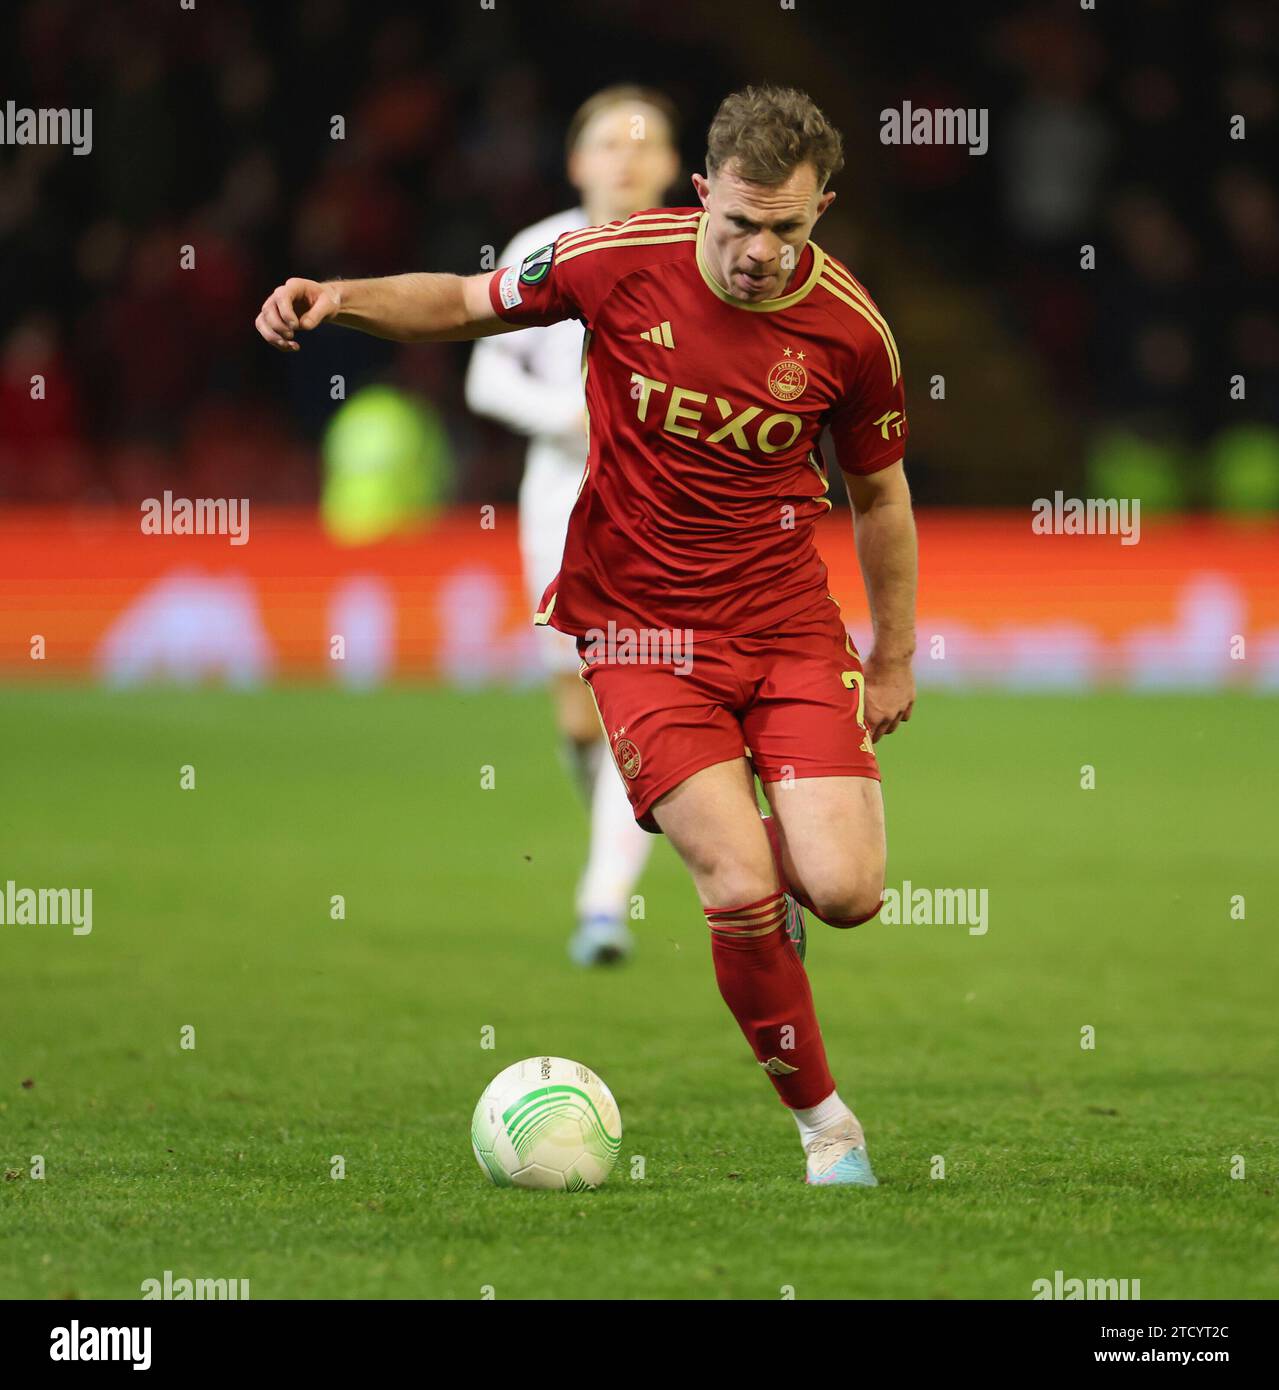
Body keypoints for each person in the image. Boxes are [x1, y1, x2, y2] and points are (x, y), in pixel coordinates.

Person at [256, 84, 917, 1186]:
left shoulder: (849, 328)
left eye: (787, 229)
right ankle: (828, 1130)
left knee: (844, 894)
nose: (758, 251)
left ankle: (756, 836)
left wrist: (893, 652)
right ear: (704, 194)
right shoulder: (613, 258)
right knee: (740, 891)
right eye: (740, 221)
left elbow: (882, 498)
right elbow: (465, 303)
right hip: (639, 628)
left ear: (823, 210)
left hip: (787, 625)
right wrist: (340, 297)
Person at [464, 86, 680, 967]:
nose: (624, 159)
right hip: (557, 506)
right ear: (575, 161)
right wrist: (574, 412)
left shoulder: (697, 253)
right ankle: (617, 853)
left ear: (672, 166)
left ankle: (600, 903)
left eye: (644, 144)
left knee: (635, 704)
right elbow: (484, 377)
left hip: (665, 514)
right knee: (583, 722)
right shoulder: (540, 248)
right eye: (606, 143)